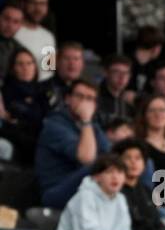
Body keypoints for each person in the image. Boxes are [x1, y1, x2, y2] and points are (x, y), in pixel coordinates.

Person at [34, 77, 109, 209]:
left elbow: (111, 155)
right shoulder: (54, 124)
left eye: (90, 99)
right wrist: (86, 120)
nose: (84, 102)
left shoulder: (94, 127)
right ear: (68, 99)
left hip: (87, 189)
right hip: (56, 191)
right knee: (95, 170)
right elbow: (86, 159)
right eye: (80, 96)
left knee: (140, 162)